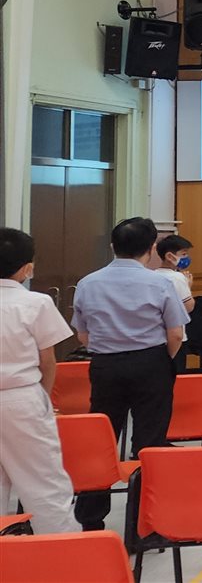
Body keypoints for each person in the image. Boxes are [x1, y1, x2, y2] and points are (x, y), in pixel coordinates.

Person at [70, 217, 189, 530]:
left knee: (102, 438)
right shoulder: (160, 283)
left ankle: (91, 519)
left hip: (105, 365)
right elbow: (175, 334)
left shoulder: (88, 283)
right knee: (149, 443)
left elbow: (82, 336)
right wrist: (160, 361)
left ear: (112, 246)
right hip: (151, 363)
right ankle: (143, 525)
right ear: (151, 249)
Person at [0, 228, 79, 535]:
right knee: (45, 487)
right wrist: (42, 398)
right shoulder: (35, 302)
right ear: (27, 267)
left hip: (19, 396)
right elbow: (48, 360)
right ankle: (63, 563)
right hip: (22, 397)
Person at [154, 233, 196, 314]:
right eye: (184, 254)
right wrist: (188, 287)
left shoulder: (153, 274)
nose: (187, 257)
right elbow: (189, 307)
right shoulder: (177, 277)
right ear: (169, 256)